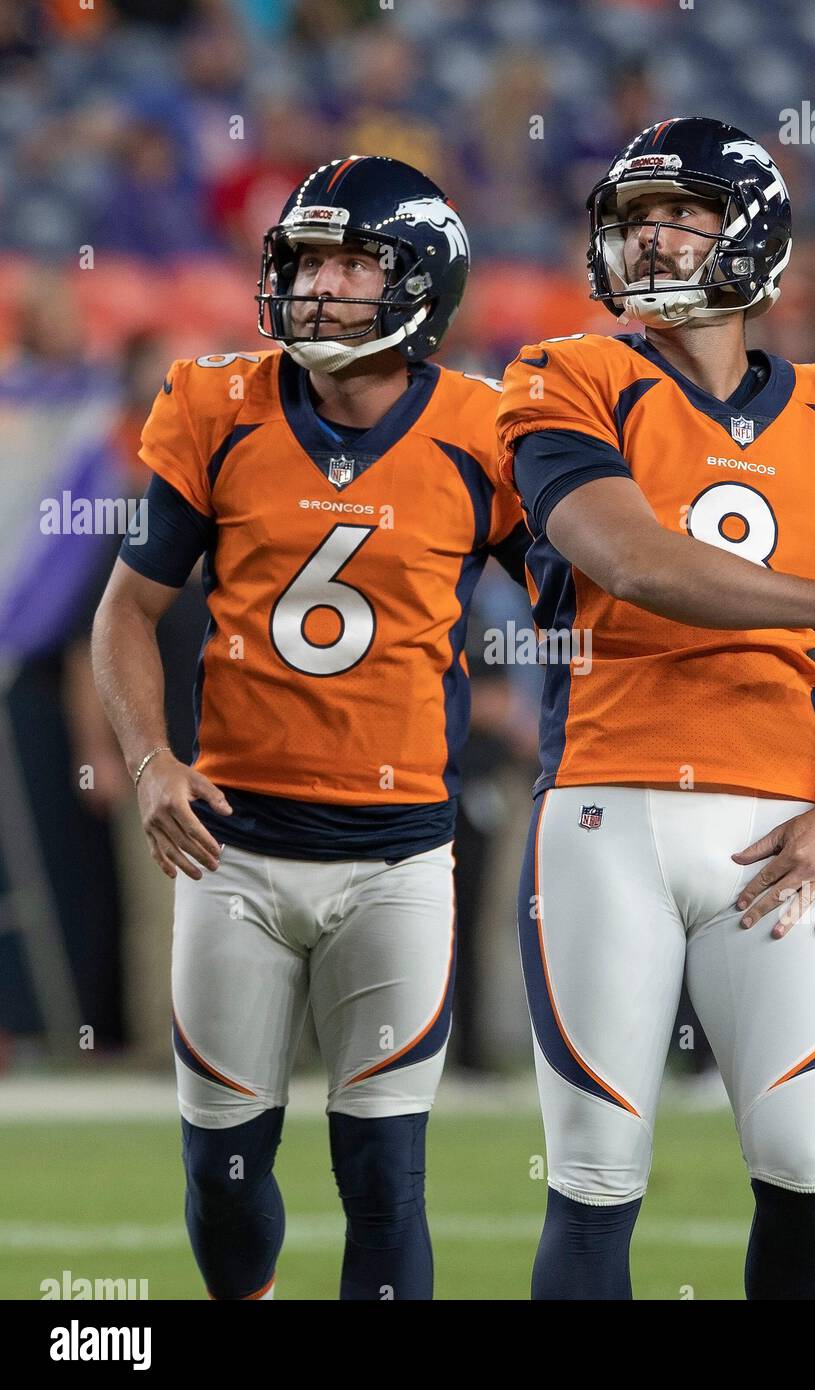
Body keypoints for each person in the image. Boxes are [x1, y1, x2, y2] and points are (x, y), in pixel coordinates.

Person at [495, 117, 815, 1300]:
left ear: (752, 235)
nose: (648, 239)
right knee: (594, 1174)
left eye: (677, 214)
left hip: (779, 827)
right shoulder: (568, 372)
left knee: (806, 1164)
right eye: (633, 218)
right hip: (611, 808)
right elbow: (633, 558)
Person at [92, 155, 528, 1301]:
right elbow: (127, 612)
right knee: (227, 1178)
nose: (320, 285)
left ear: (421, 283)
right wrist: (149, 761)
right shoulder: (214, 404)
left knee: (385, 1175)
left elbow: (580, 603)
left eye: (351, 262)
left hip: (396, 855)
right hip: (232, 848)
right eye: (304, 260)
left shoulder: (486, 432)